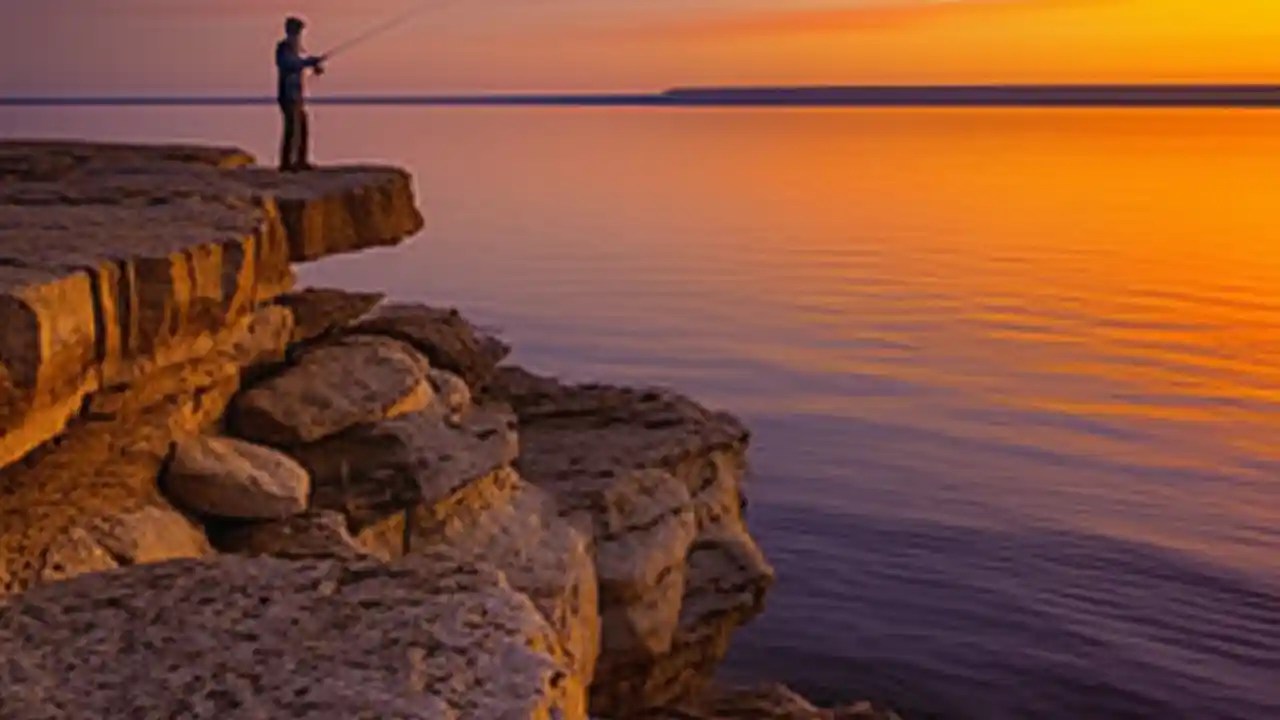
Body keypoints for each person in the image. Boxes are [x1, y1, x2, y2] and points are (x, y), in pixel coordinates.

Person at [276, 17, 326, 172]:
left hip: (297, 95)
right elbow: (290, 64)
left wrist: (314, 65)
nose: (299, 35)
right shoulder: (283, 48)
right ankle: (287, 164)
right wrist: (309, 62)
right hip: (287, 95)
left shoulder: (296, 49)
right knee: (292, 129)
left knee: (302, 126)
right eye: (297, 31)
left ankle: (300, 161)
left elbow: (300, 63)